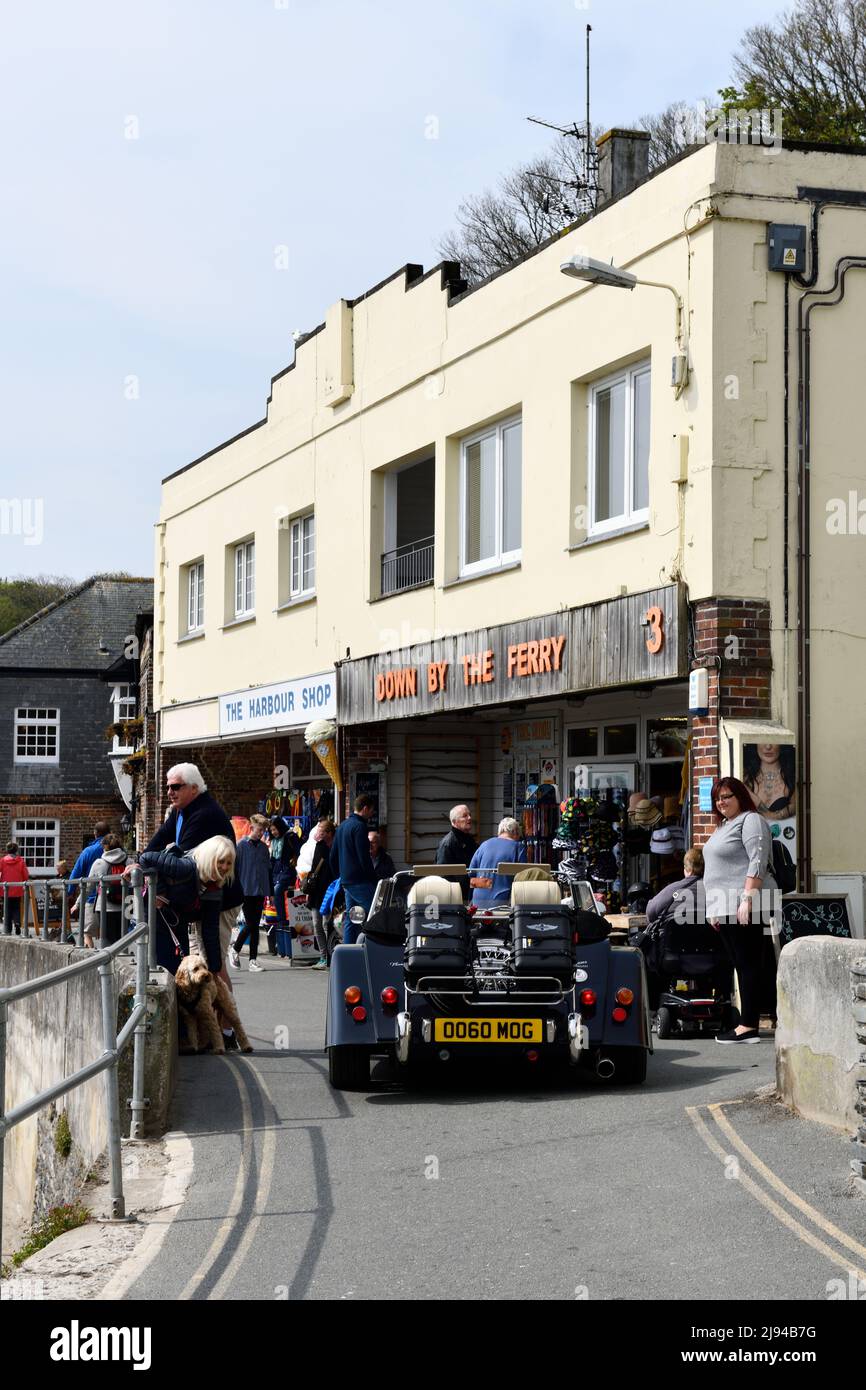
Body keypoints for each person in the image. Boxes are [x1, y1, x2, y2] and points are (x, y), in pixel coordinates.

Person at [143, 765, 242, 1047]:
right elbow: (162, 839)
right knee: (201, 960)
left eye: (176, 787)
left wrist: (149, 863)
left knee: (214, 963)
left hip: (219, 900)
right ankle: (211, 1031)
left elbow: (179, 860)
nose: (169, 792)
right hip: (203, 898)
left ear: (193, 789)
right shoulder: (180, 811)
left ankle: (226, 1031)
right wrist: (141, 858)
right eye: (168, 786)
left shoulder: (204, 814)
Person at [702, 777, 778, 1045]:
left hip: (744, 905)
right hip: (724, 907)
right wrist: (713, 909)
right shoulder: (723, 825)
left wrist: (747, 900)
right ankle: (749, 1022)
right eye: (718, 798)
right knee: (741, 965)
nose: (721, 802)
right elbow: (716, 871)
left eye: (727, 796)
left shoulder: (751, 820)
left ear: (740, 797)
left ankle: (748, 1026)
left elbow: (757, 861)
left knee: (749, 965)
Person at [138, 836, 236, 980]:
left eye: (229, 863)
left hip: (178, 925)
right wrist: (159, 892)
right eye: (221, 861)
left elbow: (210, 929)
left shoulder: (214, 887)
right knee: (163, 975)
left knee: (178, 977)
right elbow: (145, 858)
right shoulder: (185, 867)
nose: (225, 867)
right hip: (157, 922)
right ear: (209, 858)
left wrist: (214, 970)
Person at [330, 795, 378, 943]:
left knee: (353, 919)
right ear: (365, 809)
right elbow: (363, 857)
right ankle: (376, 950)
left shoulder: (342, 826)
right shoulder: (360, 827)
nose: (372, 814)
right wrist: (373, 879)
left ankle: (348, 955)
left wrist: (340, 876)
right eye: (371, 811)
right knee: (375, 914)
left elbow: (332, 856)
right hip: (360, 881)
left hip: (347, 881)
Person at [229, 814, 273, 972]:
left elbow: (268, 870)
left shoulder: (263, 848)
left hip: (260, 890)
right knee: (252, 924)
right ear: (252, 828)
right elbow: (234, 869)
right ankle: (235, 948)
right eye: (259, 830)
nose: (261, 833)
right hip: (245, 889)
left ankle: (252, 959)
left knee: (254, 926)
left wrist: (271, 893)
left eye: (263, 831)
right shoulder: (240, 846)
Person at [68, 819, 111, 944]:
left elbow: (76, 874)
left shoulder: (88, 851)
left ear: (95, 833)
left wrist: (69, 892)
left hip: (92, 898)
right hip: (114, 898)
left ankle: (92, 961)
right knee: (112, 935)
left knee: (87, 933)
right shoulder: (120, 851)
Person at [468, 818, 526, 906]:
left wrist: (487, 884)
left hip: (477, 903)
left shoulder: (484, 845)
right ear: (515, 832)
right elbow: (523, 878)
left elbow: (471, 873)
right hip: (503, 904)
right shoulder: (518, 847)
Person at [304, 819, 337, 968]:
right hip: (317, 892)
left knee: (328, 924)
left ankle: (331, 957)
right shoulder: (319, 846)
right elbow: (313, 869)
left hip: (331, 891)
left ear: (329, 833)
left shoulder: (336, 847)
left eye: (321, 831)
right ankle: (323, 957)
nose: (318, 834)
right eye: (318, 831)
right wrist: (309, 889)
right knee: (317, 924)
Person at [90, 833, 130, 944]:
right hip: (125, 906)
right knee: (122, 942)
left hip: (103, 907)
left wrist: (78, 904)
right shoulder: (129, 862)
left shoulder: (99, 863)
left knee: (107, 941)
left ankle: (107, 961)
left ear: (104, 847)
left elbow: (88, 887)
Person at [743, 743, 797, 820]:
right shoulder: (744, 777)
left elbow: (796, 807)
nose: (768, 746)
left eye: (773, 740)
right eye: (763, 740)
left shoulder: (792, 778)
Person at [268, 816, 299, 949]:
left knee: (277, 890)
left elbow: (300, 850)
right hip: (276, 871)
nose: (274, 832)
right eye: (272, 830)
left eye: (275, 829)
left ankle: (282, 921)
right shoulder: (274, 841)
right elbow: (273, 859)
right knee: (272, 891)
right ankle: (277, 920)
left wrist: (295, 858)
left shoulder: (290, 836)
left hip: (288, 871)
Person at [1, 841, 30, 934]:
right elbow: (26, 875)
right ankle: (17, 923)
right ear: (16, 850)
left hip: (5, 888)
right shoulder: (21, 861)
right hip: (17, 888)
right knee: (16, 907)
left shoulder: (2, 861)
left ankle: (8, 928)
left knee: (7, 908)